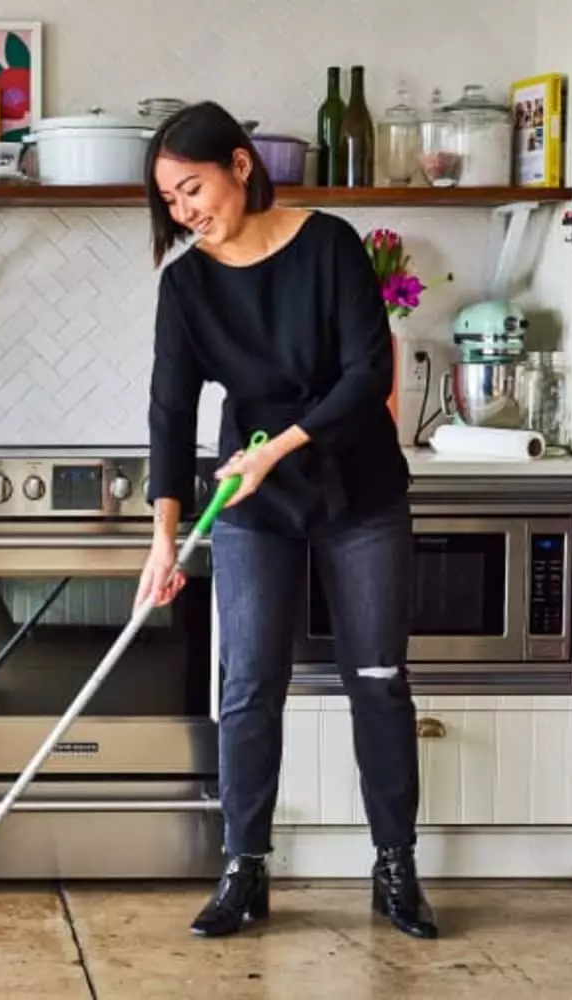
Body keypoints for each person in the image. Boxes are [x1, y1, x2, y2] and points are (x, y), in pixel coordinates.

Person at [133, 101, 438, 941]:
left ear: (239, 164)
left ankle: (395, 869)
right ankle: (244, 867)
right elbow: (169, 414)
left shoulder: (329, 244)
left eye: (190, 187)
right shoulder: (187, 285)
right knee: (247, 688)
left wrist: (278, 449)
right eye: (169, 200)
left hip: (359, 488)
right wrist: (164, 536)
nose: (183, 210)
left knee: (377, 681)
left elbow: (366, 372)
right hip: (254, 504)